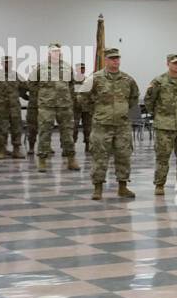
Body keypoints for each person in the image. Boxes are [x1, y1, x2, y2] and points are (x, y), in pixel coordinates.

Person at [83, 47, 140, 200]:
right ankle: (98, 188)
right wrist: (96, 111)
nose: (116, 61)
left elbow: (134, 97)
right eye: (112, 58)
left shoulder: (128, 79)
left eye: (117, 58)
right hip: (102, 124)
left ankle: (123, 187)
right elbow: (82, 97)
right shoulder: (95, 78)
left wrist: (122, 110)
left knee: (124, 156)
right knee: (100, 157)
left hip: (122, 125)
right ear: (106, 60)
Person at [146, 53, 177, 196]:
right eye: (175, 63)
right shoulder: (159, 81)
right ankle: (159, 185)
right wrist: (158, 116)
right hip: (164, 126)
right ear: (168, 64)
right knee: (162, 157)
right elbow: (149, 100)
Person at [35, 43, 78, 172]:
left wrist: (67, 98)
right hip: (46, 106)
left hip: (64, 106)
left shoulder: (67, 67)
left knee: (68, 133)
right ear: (49, 54)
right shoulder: (40, 68)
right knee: (44, 132)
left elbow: (71, 85)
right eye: (54, 52)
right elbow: (32, 84)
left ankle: (71, 159)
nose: (56, 54)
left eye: (58, 52)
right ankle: (42, 160)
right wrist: (43, 96)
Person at [0, 56, 25, 159]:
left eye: (9, 62)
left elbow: (25, 86)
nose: (7, 64)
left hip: (14, 107)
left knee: (17, 129)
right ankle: (1, 150)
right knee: (1, 129)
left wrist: (19, 95)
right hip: (1, 108)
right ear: (2, 64)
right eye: (5, 63)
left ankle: (16, 150)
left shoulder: (16, 75)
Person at [72, 62, 91, 147]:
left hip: (86, 108)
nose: (82, 70)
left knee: (88, 128)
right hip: (75, 108)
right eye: (80, 68)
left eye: (83, 68)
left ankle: (88, 144)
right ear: (76, 70)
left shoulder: (88, 81)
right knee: (73, 128)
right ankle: (72, 146)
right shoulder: (72, 82)